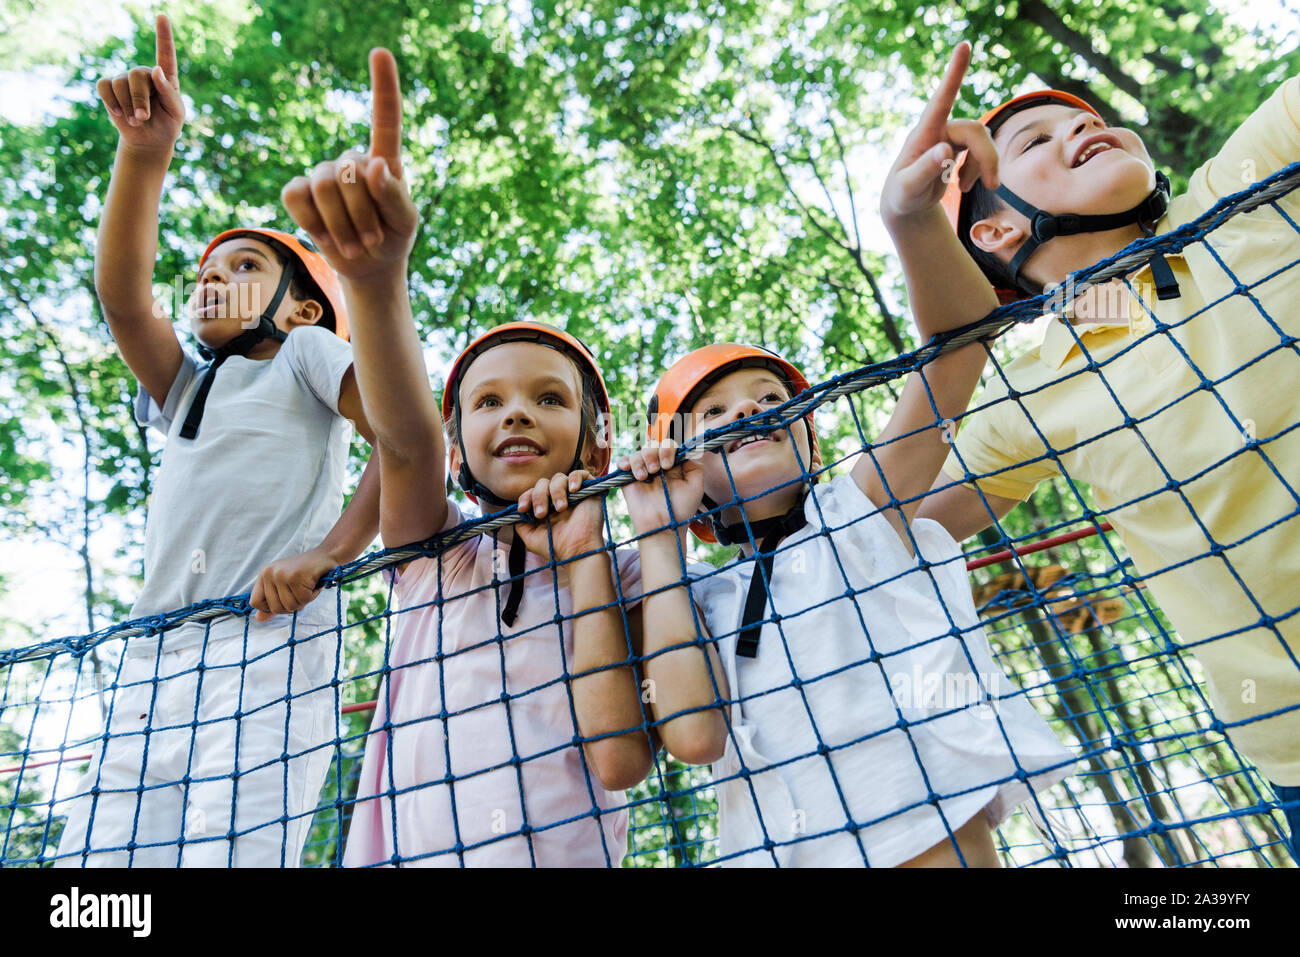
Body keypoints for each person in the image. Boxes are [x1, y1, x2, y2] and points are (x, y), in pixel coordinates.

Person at [617, 44, 1074, 867]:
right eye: (713, 413)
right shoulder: (694, 594)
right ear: (686, 468)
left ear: (806, 431)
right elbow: (690, 734)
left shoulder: (858, 512)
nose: (748, 410)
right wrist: (658, 534)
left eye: (765, 397)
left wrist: (910, 214)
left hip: (931, 832)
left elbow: (959, 345)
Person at [281, 49, 654, 866]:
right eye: (488, 402)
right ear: (460, 449)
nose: (517, 408)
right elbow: (403, 441)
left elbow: (622, 758)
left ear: (598, 442)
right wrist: (376, 283)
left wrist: (585, 549)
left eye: (548, 398)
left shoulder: (630, 574)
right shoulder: (434, 556)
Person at [919, 71, 1300, 854]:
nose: (1081, 129)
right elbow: (877, 530)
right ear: (993, 233)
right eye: (1034, 140)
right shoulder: (1028, 400)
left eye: (1087, 118)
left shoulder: (1239, 193)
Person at [56, 15, 382, 867]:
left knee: (226, 852)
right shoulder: (187, 383)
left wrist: (333, 551)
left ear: (303, 307)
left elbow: (403, 440)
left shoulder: (309, 354)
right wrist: (145, 153)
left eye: (244, 268)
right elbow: (126, 301)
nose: (211, 277)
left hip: (268, 641)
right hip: (152, 655)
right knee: (100, 867)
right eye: (204, 269)